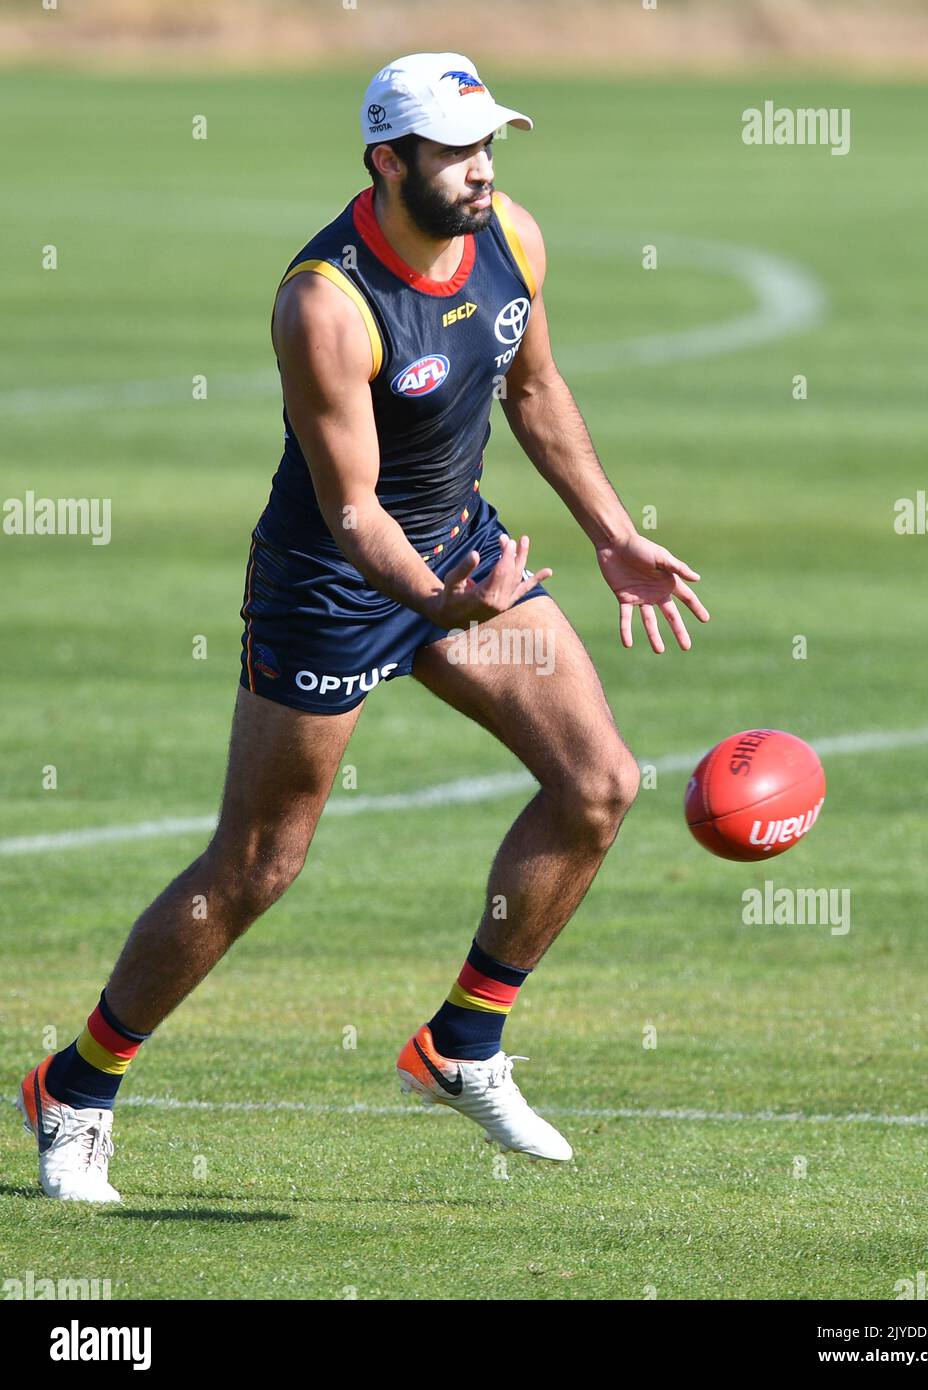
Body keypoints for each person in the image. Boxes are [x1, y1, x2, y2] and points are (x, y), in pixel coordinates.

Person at [17, 52, 708, 1201]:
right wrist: (441, 603)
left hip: (461, 553)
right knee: (256, 865)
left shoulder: (513, 239)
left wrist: (610, 531)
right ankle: (76, 1087)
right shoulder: (324, 303)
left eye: (489, 145)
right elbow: (349, 509)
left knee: (599, 783)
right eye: (454, 152)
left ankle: (460, 1044)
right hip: (331, 590)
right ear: (388, 161)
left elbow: (530, 387)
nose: (480, 170)